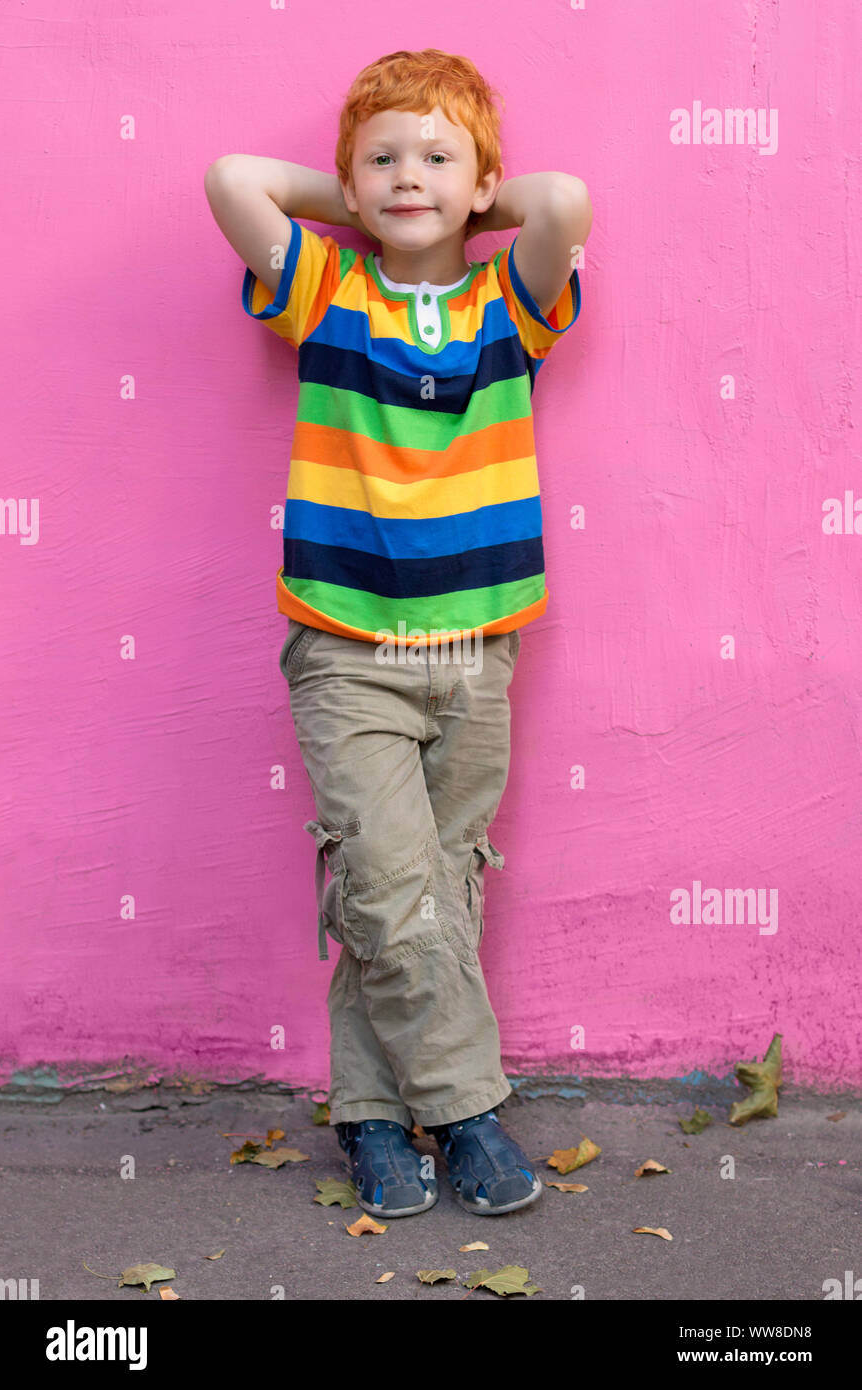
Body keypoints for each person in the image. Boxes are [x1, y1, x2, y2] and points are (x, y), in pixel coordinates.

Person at [204, 47, 592, 1218]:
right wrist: (365, 195)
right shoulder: (328, 291)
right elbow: (232, 179)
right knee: (384, 880)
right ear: (347, 182)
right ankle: (467, 1112)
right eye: (381, 160)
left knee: (437, 885)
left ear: (482, 186)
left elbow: (564, 203)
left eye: (434, 158)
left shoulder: (504, 303)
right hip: (346, 643)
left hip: (476, 645)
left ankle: (374, 1122)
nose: (404, 175)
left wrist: (468, 194)